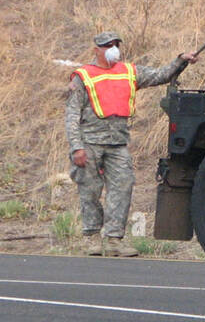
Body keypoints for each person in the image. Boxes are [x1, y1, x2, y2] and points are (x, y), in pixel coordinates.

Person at [66, 30, 197, 257]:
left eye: (116, 44)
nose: (113, 49)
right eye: (107, 45)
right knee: (90, 191)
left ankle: (115, 240)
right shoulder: (83, 76)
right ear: (96, 49)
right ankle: (92, 238)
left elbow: (160, 75)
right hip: (89, 143)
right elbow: (71, 115)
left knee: (122, 188)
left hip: (118, 143)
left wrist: (180, 61)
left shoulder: (128, 71)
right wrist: (76, 147)